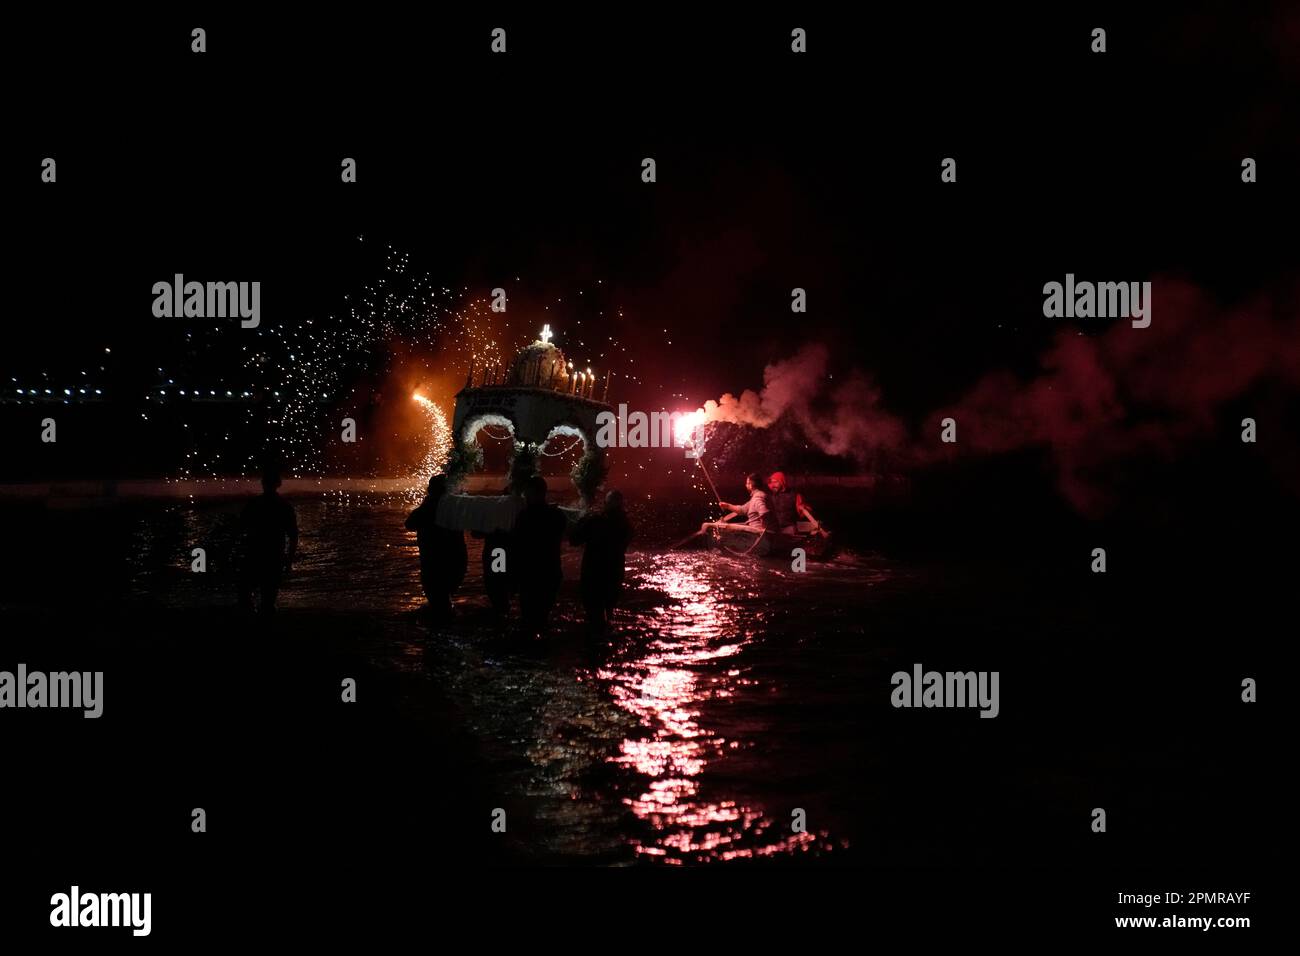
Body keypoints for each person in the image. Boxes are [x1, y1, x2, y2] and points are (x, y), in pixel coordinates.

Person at [570, 489, 635, 635]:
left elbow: (574, 539)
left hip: (593, 573)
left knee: (594, 613)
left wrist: (582, 519)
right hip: (615, 572)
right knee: (609, 610)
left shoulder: (596, 521)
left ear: (606, 504)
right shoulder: (626, 525)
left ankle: (595, 644)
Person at [405, 474, 468, 620]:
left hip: (432, 562)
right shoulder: (455, 508)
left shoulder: (426, 509)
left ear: (430, 490)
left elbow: (409, 524)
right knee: (445, 597)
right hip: (455, 561)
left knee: (437, 599)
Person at [239, 466, 298, 617]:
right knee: (268, 599)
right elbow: (293, 536)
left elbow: (240, 528)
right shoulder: (284, 506)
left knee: (246, 595)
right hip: (274, 555)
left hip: (254, 553)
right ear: (278, 484)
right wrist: (289, 561)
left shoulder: (254, 504)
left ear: (262, 483)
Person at [512, 475, 567, 636]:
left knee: (528, 617)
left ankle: (529, 651)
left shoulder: (524, 516)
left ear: (531, 493)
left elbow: (517, 546)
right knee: (543, 616)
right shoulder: (556, 515)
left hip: (529, 575)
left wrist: (509, 573)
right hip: (550, 573)